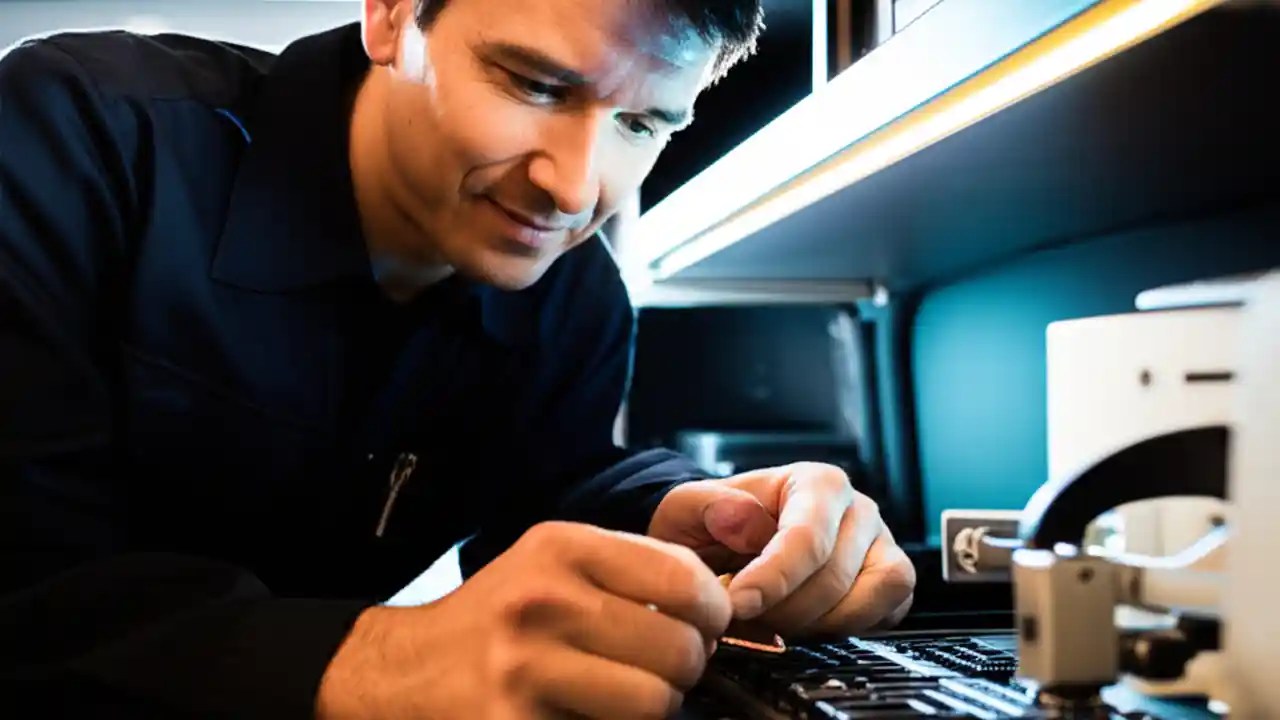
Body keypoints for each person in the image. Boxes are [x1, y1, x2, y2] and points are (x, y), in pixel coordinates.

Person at [0, 0, 916, 717]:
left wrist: (685, 515)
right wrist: (381, 658)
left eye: (642, 125)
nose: (573, 186)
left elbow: (546, 483)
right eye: (536, 86)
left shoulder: (574, 297)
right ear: (393, 14)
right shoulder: (76, 137)